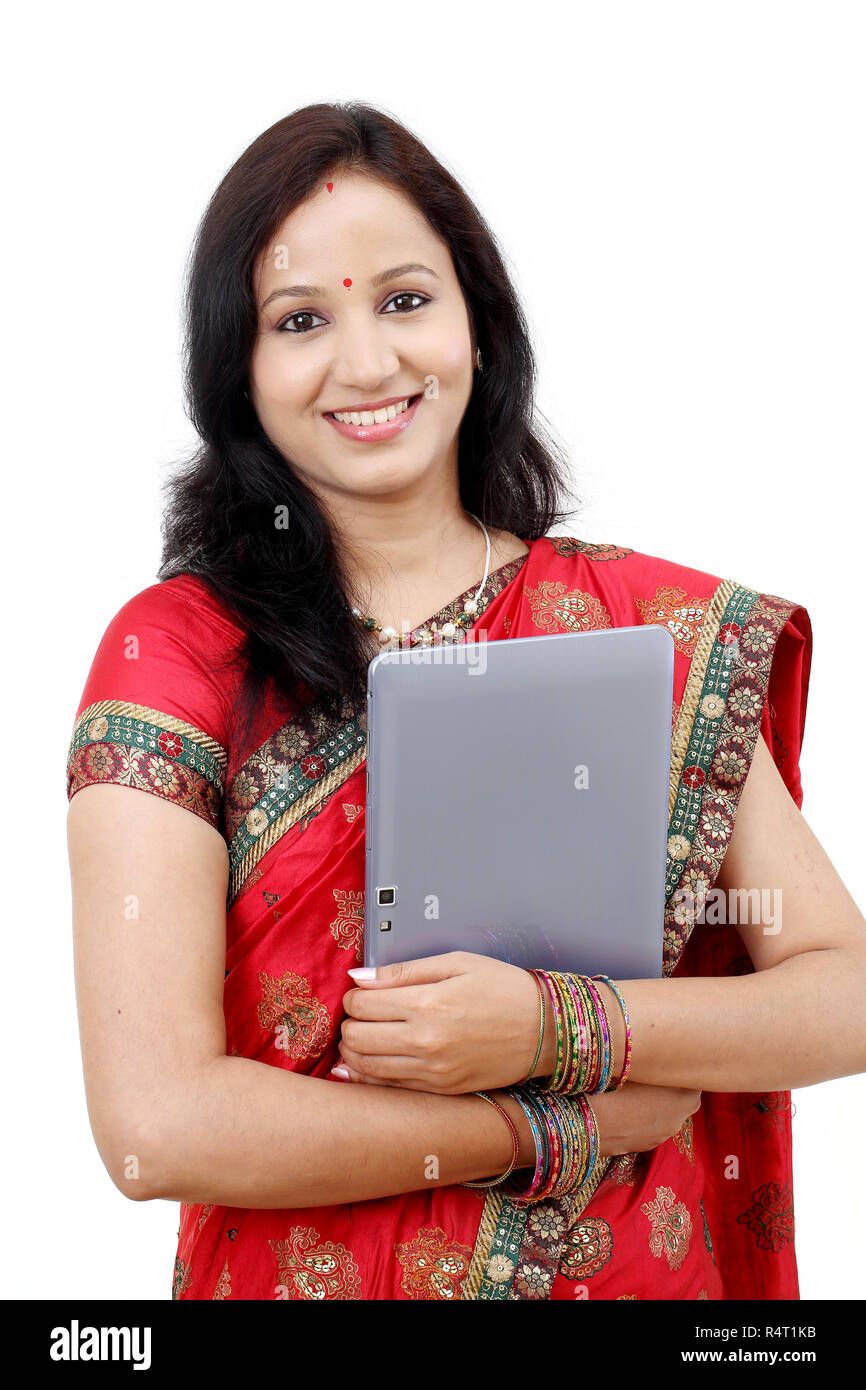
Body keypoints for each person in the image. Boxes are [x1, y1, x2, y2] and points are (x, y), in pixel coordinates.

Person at [66, 101, 866, 1301]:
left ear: (478, 325)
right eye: (300, 321)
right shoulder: (179, 654)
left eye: (403, 299)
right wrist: (541, 1122)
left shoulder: (639, 633)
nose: (369, 362)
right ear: (238, 373)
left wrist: (562, 1025)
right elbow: (156, 1125)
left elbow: (841, 990)